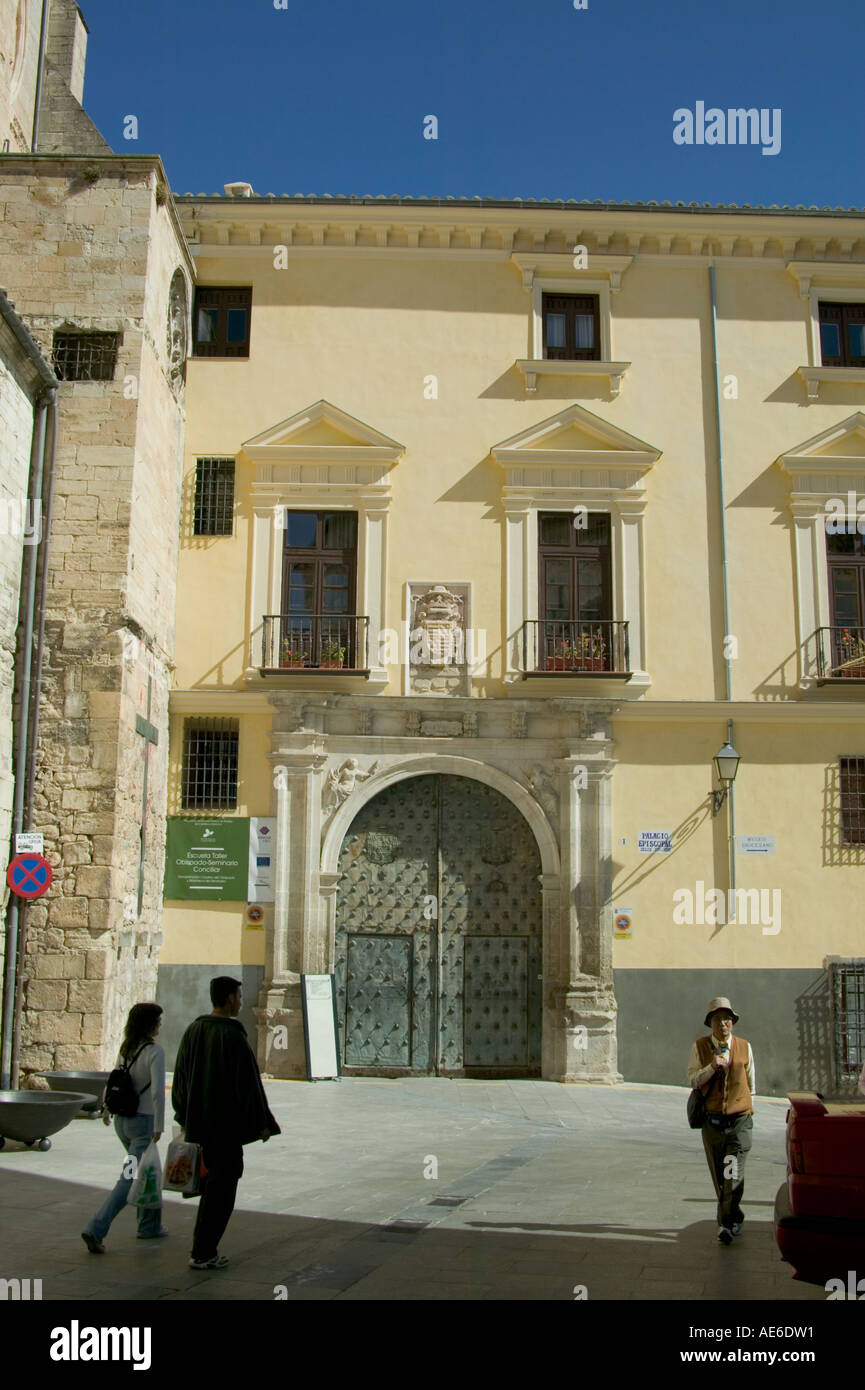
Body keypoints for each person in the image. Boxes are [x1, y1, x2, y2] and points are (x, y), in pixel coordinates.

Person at [172, 976, 280, 1271]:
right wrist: (262, 1123)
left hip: (198, 1126)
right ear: (231, 998)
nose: (241, 1001)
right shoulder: (234, 1037)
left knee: (210, 1188)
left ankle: (202, 1247)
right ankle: (203, 1251)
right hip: (224, 1130)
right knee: (222, 1190)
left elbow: (180, 1077)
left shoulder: (194, 1031)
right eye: (239, 996)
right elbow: (248, 1087)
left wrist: (183, 1114)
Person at [81, 1002, 166, 1253]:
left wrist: (107, 1109)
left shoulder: (127, 1047)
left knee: (148, 1171)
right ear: (150, 1024)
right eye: (158, 1021)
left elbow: (115, 1077)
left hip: (123, 1123)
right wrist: (159, 1126)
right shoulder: (155, 1052)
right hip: (144, 1124)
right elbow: (159, 1092)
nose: (161, 1025)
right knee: (129, 1177)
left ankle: (149, 1226)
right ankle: (96, 1227)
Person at [687, 996, 755, 1246]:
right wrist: (711, 1067)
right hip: (713, 1123)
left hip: (739, 1123)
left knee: (733, 1173)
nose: (723, 1023)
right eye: (718, 1019)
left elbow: (751, 1082)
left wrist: (747, 1109)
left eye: (727, 1018)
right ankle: (733, 1217)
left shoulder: (744, 1047)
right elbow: (693, 1080)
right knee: (720, 1176)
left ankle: (725, 1224)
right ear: (710, 1023)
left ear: (733, 1022)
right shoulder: (700, 1047)